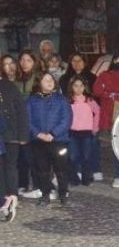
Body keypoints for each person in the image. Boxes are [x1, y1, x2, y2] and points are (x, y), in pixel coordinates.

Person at [27, 72, 72, 207]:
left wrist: (53, 134)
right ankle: (45, 194)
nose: (49, 82)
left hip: (58, 140)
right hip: (39, 141)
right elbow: (27, 120)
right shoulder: (32, 100)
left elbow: (67, 119)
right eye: (45, 79)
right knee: (42, 170)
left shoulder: (61, 99)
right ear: (39, 83)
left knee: (61, 170)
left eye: (51, 79)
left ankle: (63, 194)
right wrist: (38, 134)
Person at [92, 52, 119, 185]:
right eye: (117, 59)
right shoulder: (105, 75)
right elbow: (97, 90)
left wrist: (115, 95)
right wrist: (110, 95)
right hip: (108, 115)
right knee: (116, 145)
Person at [0, 63, 27, 215]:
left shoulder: (9, 86)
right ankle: (5, 198)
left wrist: (22, 134)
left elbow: (21, 111)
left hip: (10, 135)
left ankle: (11, 196)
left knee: (10, 167)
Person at [65, 76, 101, 185]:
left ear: (85, 87)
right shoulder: (68, 101)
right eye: (76, 86)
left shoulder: (90, 101)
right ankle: (74, 177)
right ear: (71, 87)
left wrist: (95, 128)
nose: (79, 88)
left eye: (81, 86)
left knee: (86, 156)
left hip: (86, 132)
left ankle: (87, 177)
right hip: (72, 132)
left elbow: (97, 114)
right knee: (72, 156)